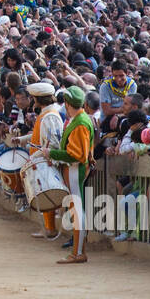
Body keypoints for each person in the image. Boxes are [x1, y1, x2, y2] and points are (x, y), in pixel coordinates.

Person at [43, 85, 94, 263]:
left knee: (77, 211)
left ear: (67, 103)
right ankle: (78, 251)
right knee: (76, 210)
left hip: (74, 170)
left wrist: (52, 154)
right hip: (74, 170)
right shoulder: (80, 119)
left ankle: (78, 253)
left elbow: (76, 155)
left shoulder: (80, 123)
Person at [27, 82, 66, 240]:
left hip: (45, 159)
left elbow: (53, 142)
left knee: (46, 192)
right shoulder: (46, 113)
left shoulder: (50, 116)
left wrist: (42, 157)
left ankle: (50, 229)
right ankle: (48, 228)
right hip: (41, 158)